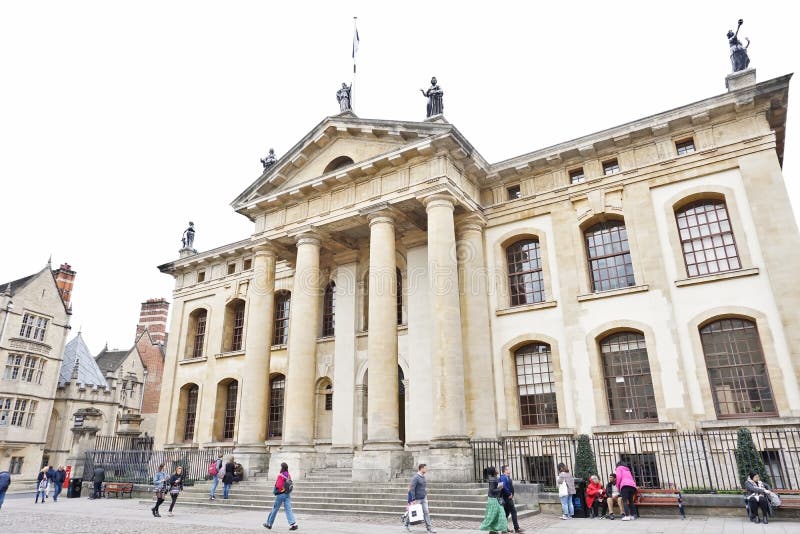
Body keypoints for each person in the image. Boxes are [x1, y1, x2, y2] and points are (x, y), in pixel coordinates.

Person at [264, 462, 298, 531]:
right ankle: (293, 524)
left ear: (282, 468)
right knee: (288, 509)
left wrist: (278, 490)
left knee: (275, 509)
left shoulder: (281, 475)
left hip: (281, 494)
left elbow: (278, 485)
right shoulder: (288, 475)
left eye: (280, 467)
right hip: (287, 494)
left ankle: (269, 524)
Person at [404, 463, 436, 533]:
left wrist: (425, 494)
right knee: (413, 512)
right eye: (425, 468)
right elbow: (412, 489)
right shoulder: (416, 477)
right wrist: (413, 499)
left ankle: (429, 528)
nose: (426, 469)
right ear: (421, 468)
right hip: (417, 499)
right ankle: (406, 524)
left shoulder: (423, 477)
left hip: (423, 498)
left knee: (426, 512)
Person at [479, 466, 507, 533]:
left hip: (496, 498)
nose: (497, 470)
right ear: (493, 472)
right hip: (493, 499)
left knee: (500, 514)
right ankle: (495, 530)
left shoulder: (495, 478)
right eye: (495, 469)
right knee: (495, 515)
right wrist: (499, 488)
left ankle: (500, 530)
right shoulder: (492, 479)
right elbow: (492, 490)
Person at [499, 465, 524, 533]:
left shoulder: (507, 477)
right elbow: (504, 487)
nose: (510, 470)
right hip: (506, 498)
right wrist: (509, 494)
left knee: (506, 513)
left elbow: (510, 486)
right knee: (513, 512)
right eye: (508, 469)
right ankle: (516, 528)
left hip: (508, 497)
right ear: (505, 470)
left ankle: (505, 528)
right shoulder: (503, 477)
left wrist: (512, 494)